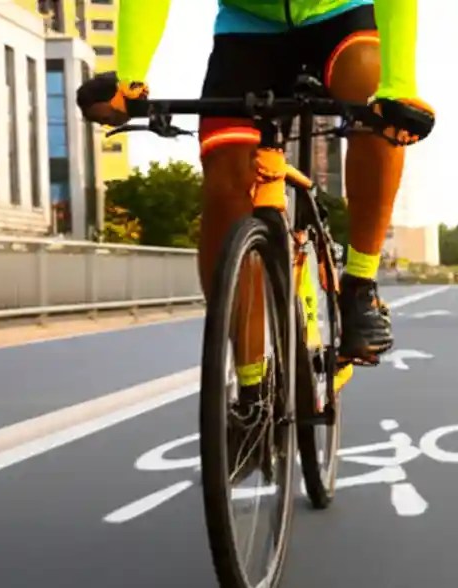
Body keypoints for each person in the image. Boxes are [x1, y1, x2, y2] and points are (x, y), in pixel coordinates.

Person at [76, 0, 434, 383]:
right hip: (249, 31)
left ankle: (360, 285)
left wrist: (399, 87)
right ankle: (251, 386)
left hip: (341, 19)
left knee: (376, 96)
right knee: (224, 187)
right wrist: (130, 77)